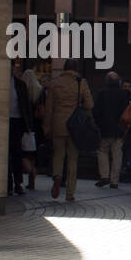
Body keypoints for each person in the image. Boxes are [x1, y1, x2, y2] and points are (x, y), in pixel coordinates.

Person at [42, 58, 93, 202]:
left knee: (58, 155)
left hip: (58, 123)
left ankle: (57, 176)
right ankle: (70, 193)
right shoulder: (80, 82)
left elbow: (48, 108)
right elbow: (89, 104)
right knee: (73, 159)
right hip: (75, 125)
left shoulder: (55, 83)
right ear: (76, 68)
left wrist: (46, 126)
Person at [93, 71, 131, 189]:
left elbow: (96, 112)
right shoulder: (124, 94)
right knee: (117, 155)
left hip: (104, 129)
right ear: (118, 81)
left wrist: (98, 124)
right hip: (119, 129)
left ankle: (104, 175)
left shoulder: (101, 93)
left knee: (102, 151)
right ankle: (114, 181)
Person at [8, 60, 34, 196]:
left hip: (17, 122)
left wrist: (28, 125)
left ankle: (17, 183)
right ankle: (8, 184)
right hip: (5, 122)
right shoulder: (0, 84)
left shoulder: (20, 85)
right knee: (6, 155)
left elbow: (26, 106)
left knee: (17, 153)